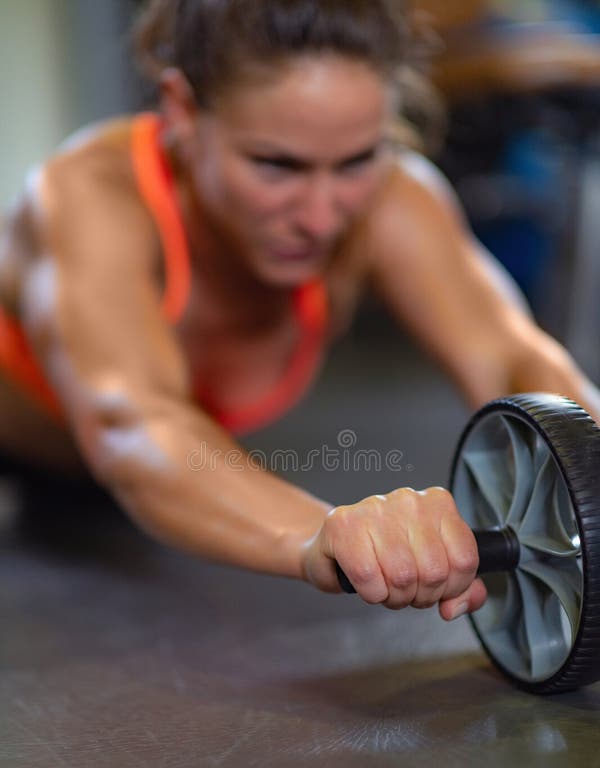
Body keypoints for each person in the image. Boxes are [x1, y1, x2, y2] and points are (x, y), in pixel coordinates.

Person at [0, 0, 598, 623]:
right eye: (275, 165)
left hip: (141, 488)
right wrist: (325, 538)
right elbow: (135, 424)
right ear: (180, 109)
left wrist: (594, 458)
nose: (320, 218)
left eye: (357, 161)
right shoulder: (87, 197)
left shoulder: (394, 200)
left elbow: (513, 359)